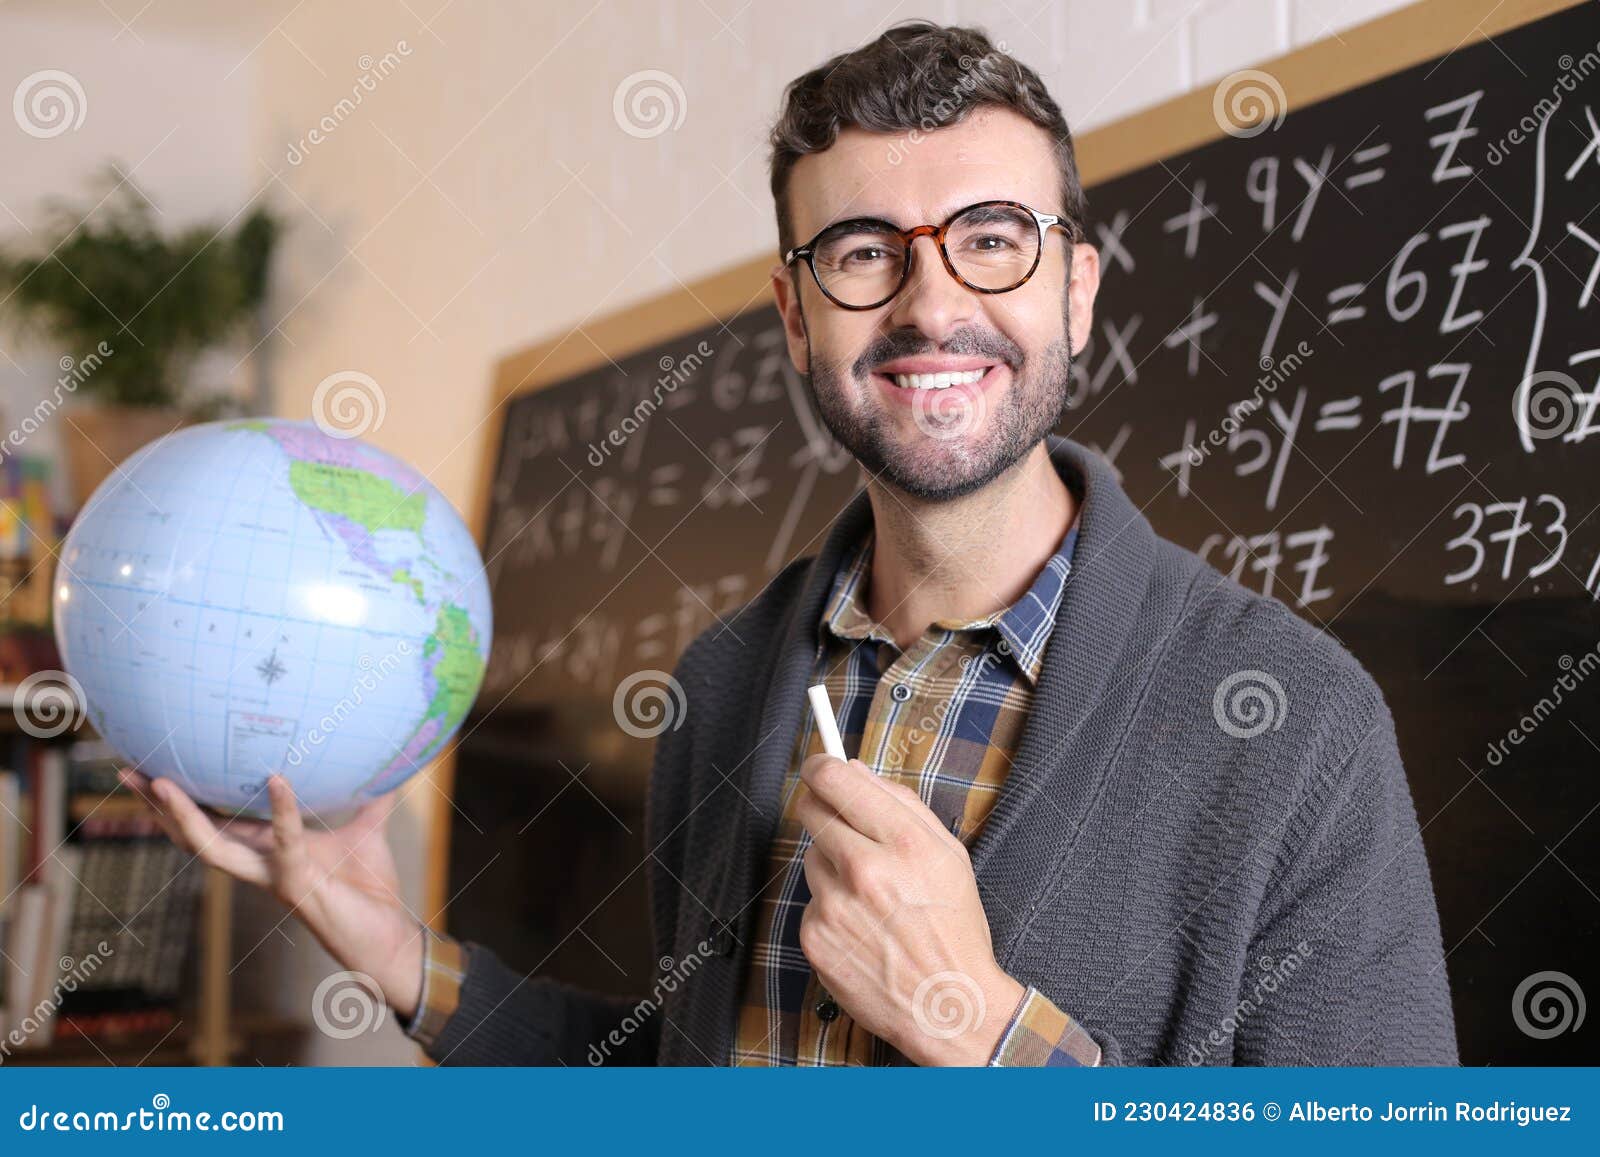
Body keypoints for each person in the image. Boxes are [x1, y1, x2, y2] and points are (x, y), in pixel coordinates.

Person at [124, 20, 1458, 1067]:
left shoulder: (1297, 722)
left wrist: (985, 1033)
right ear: (793, 315)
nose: (931, 303)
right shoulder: (721, 684)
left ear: (1077, 290)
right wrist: (388, 944)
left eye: (993, 240)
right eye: (864, 252)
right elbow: (685, 1077)